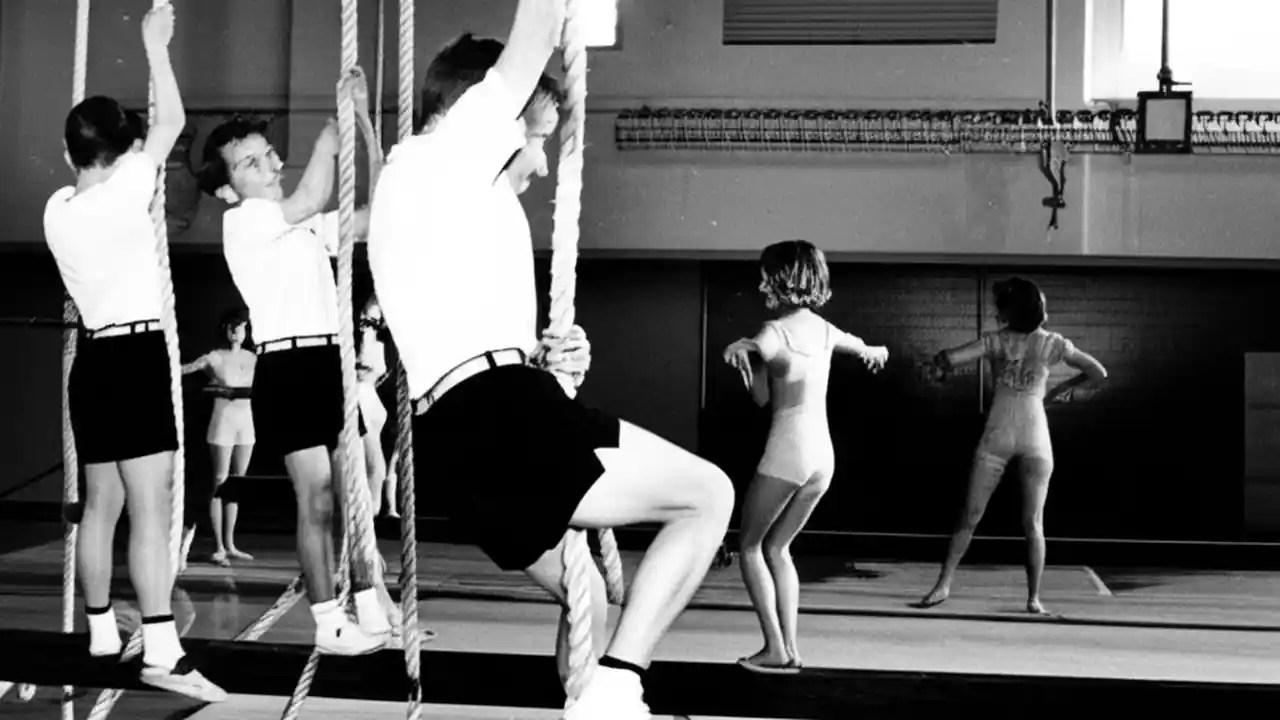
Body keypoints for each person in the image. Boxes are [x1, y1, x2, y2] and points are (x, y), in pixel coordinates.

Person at [367, 3, 736, 717]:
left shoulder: (425, 194)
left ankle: (594, 694)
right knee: (708, 495)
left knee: (588, 598)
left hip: (455, 432)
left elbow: (459, 332)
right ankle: (621, 685)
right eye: (533, 137)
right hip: (501, 415)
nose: (540, 159)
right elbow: (534, 24)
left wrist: (543, 355)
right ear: (479, 108)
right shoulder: (451, 151)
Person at [42, 3, 226, 702]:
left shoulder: (57, 210)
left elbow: (124, 152)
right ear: (119, 152)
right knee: (154, 512)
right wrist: (155, 45)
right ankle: (163, 650)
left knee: (101, 506)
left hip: (93, 363)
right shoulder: (126, 191)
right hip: (139, 357)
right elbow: (173, 126)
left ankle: (100, 633)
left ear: (69, 154)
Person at [197, 67, 395, 655]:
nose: (269, 165)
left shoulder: (309, 228)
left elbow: (380, 206)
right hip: (285, 369)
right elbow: (309, 192)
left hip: (329, 364)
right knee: (318, 498)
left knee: (353, 495)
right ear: (228, 189)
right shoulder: (244, 222)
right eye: (250, 163)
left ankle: (366, 599)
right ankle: (330, 621)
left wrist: (361, 117)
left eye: (267, 154)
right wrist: (327, 141)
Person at [722, 240, 888, 674]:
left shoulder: (773, 331)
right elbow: (863, 346)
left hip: (788, 450)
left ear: (783, 280)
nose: (760, 285)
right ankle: (792, 649)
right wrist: (875, 351)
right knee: (780, 548)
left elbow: (761, 354)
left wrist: (744, 349)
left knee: (751, 547)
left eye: (765, 277)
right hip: (822, 459)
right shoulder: (828, 330)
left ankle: (774, 648)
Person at [914, 277, 1108, 615]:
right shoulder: (1053, 344)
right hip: (1035, 436)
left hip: (998, 435)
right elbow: (1098, 373)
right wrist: (1068, 390)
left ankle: (943, 583)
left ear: (1009, 311)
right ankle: (1033, 598)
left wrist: (937, 367)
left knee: (970, 516)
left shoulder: (996, 342)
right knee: (1033, 523)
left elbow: (952, 359)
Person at [181, 308, 256, 566]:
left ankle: (231, 543)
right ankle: (219, 546)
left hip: (245, 423)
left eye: (242, 327)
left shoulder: (253, 357)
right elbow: (186, 369)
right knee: (220, 481)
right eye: (233, 327)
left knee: (237, 484)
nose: (237, 332)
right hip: (223, 421)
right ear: (225, 330)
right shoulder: (215, 357)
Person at [356, 295, 398, 518]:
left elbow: (379, 371)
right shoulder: (360, 341)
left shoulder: (382, 346)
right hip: (359, 398)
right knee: (373, 466)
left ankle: (370, 517)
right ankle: (367, 517)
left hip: (371, 399)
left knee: (378, 468)